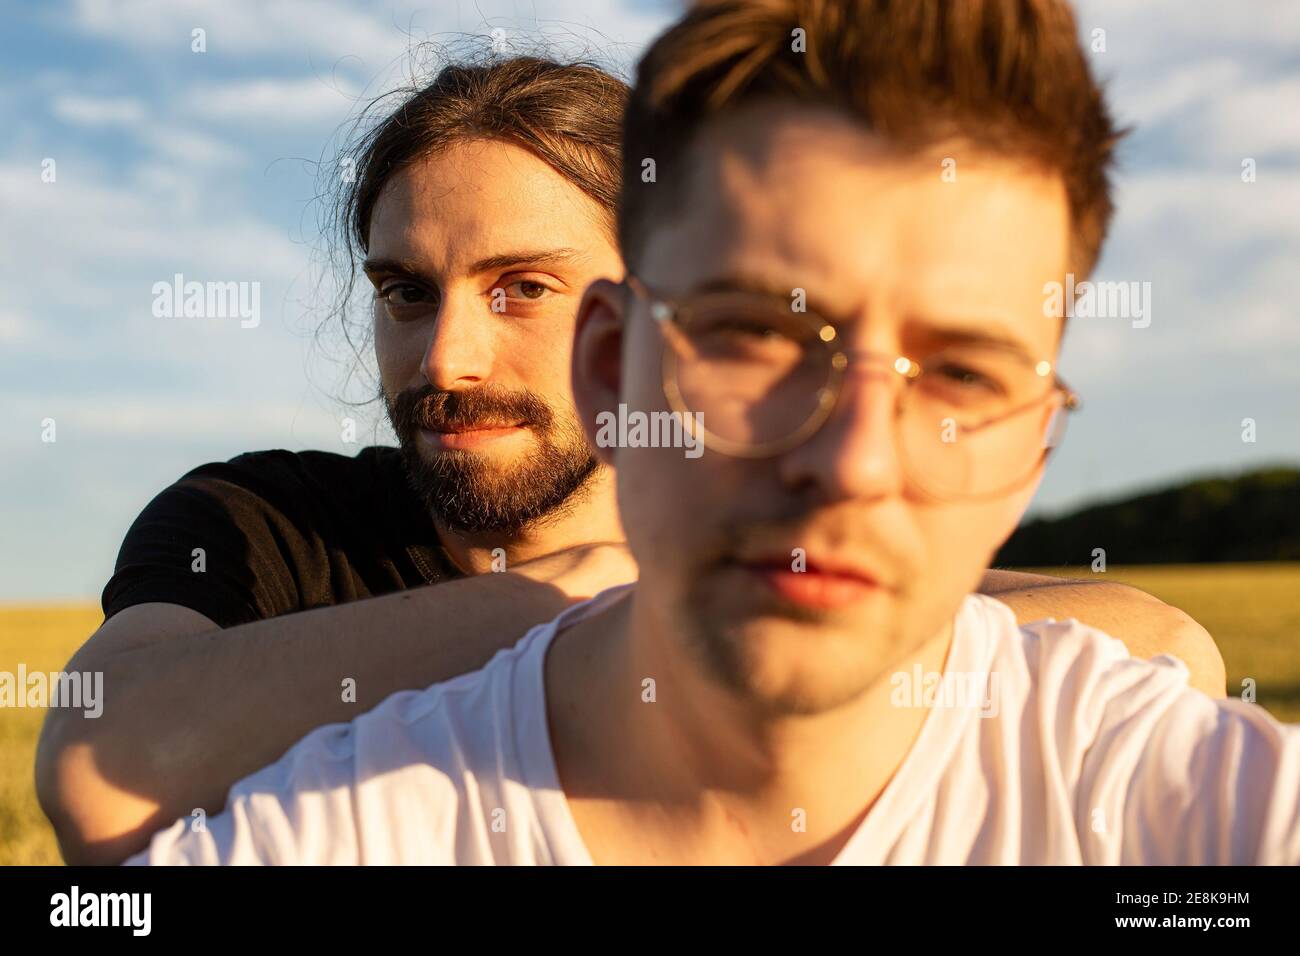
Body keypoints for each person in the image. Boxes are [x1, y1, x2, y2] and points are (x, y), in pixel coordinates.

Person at [55, 20, 1230, 867]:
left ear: (634, 330)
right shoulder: (260, 524)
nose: (447, 357)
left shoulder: (788, 530)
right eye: (406, 291)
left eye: (522, 287)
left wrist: (660, 600)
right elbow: (100, 768)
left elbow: (1164, 642)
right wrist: (591, 606)